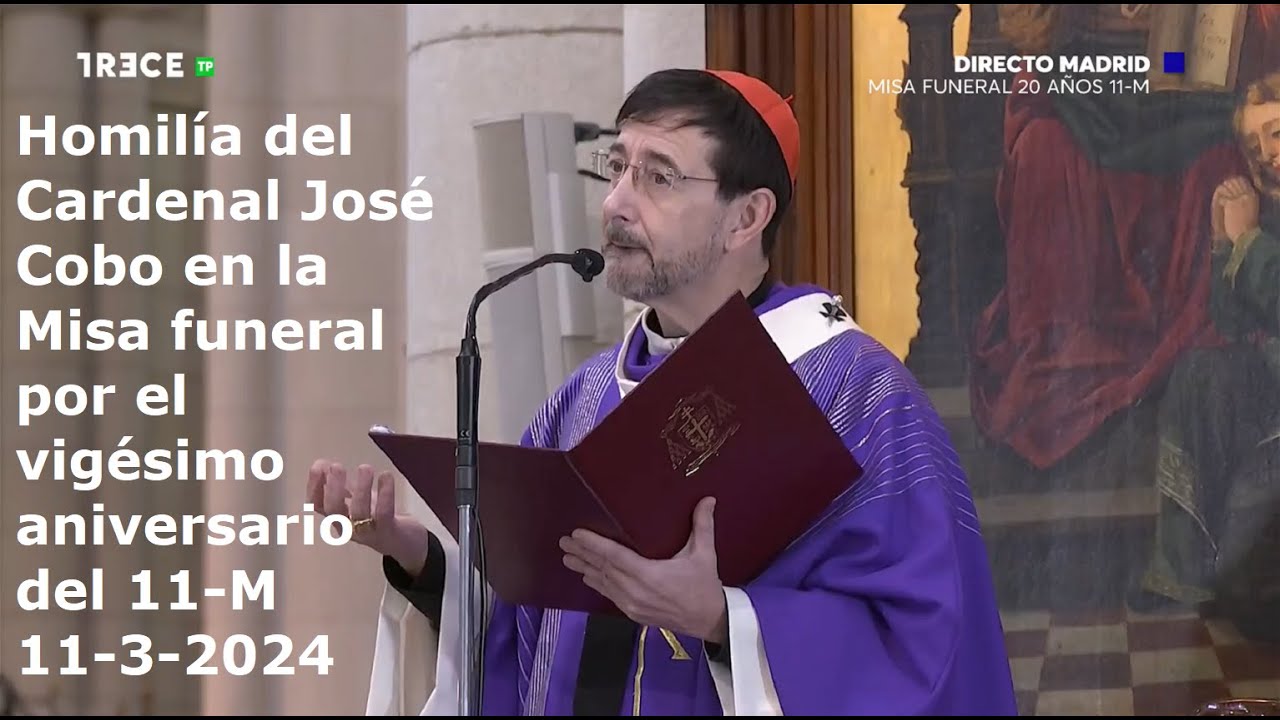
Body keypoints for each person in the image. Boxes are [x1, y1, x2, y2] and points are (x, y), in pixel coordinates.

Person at [307, 68, 1017, 716]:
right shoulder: (582, 403)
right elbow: (528, 633)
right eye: (616, 168)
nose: (616, 203)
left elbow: (924, 643)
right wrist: (420, 562)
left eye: (659, 177)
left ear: (748, 216)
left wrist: (717, 619)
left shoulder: (852, 395)